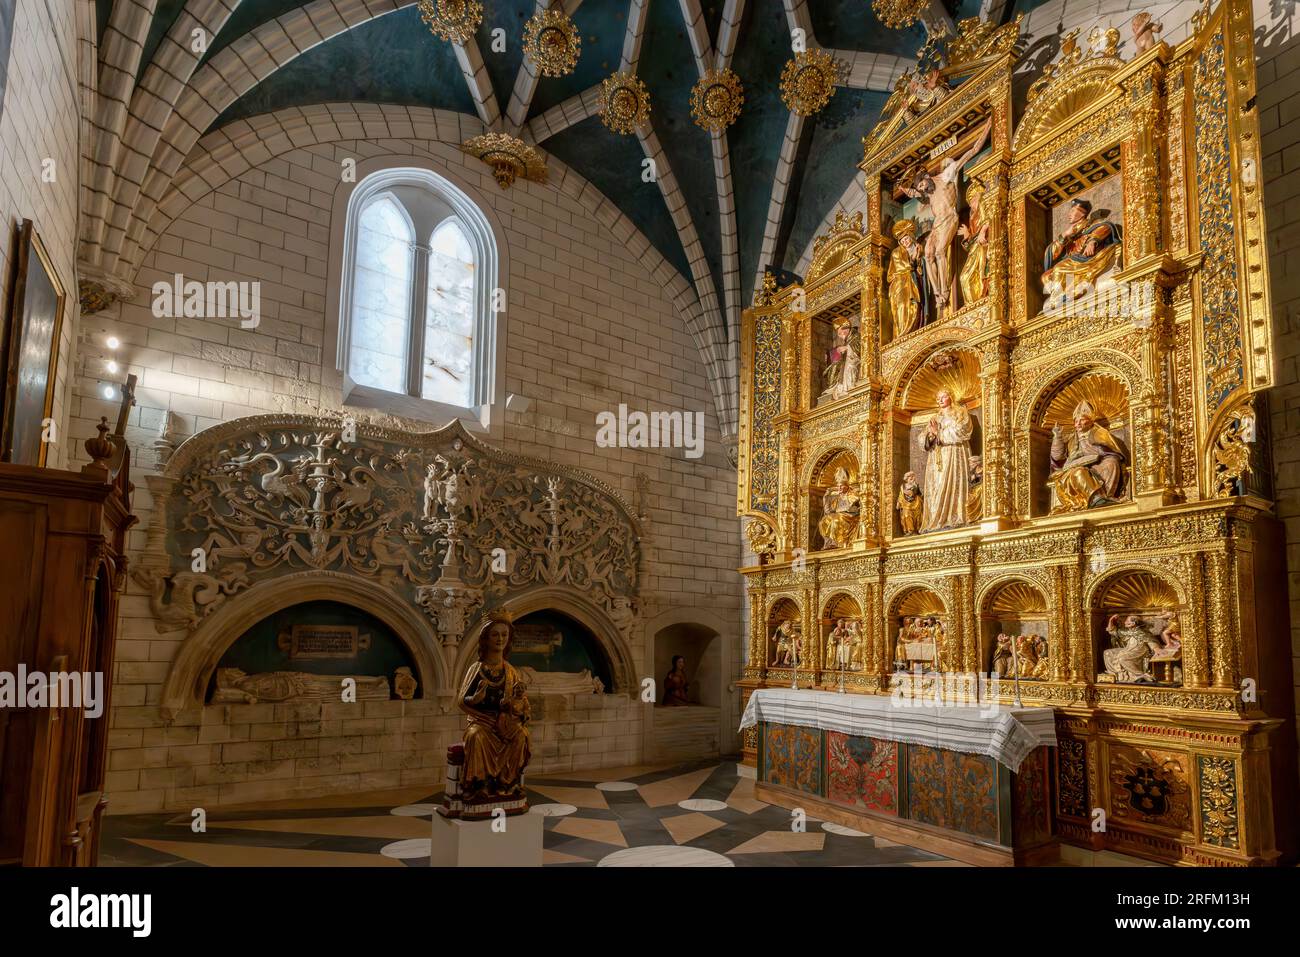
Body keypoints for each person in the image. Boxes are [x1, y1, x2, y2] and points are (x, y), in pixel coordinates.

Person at [902, 118, 992, 315]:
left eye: (923, 187)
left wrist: (988, 125)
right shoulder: (924, 192)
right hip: (937, 223)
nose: (923, 191)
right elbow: (912, 194)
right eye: (921, 190)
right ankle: (936, 293)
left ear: (926, 178)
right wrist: (904, 187)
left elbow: (972, 151)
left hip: (950, 218)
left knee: (941, 251)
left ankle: (944, 291)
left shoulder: (947, 175)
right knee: (927, 255)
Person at [458, 613, 532, 813]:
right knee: (476, 736)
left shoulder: (510, 671)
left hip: (503, 723)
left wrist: (515, 709)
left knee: (521, 735)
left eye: (504, 635)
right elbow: (461, 701)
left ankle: (507, 784)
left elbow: (520, 703)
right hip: (481, 722)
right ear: (485, 638)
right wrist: (478, 707)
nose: (500, 639)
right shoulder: (477, 668)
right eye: (495, 635)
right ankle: (478, 786)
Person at [1048, 400, 1127, 512]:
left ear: (1090, 421)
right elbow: (1058, 457)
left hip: (1097, 464)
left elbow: (1110, 450)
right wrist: (1057, 437)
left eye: (1082, 420)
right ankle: (1095, 499)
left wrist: (1096, 453)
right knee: (1079, 472)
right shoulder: (1072, 439)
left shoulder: (1099, 433)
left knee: (1112, 462)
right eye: (1076, 421)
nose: (1078, 424)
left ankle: (1107, 497)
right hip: (1074, 469)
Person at [1042, 197, 1121, 305]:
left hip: (1087, 259)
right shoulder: (1070, 234)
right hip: (1074, 261)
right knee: (1046, 276)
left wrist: (1093, 241)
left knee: (1059, 268)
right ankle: (1061, 296)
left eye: (1073, 211)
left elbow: (1106, 226)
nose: (1069, 214)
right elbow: (1052, 254)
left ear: (1082, 214)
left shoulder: (1091, 225)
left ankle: (1059, 298)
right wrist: (1064, 235)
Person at [921, 389, 975, 532]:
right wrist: (931, 435)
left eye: (943, 396)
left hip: (954, 451)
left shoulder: (960, 412)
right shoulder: (934, 418)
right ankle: (937, 518)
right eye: (938, 398)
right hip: (937, 456)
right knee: (937, 485)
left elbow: (964, 430)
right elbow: (923, 439)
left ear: (951, 397)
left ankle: (954, 516)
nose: (940, 400)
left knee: (953, 481)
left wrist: (939, 433)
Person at [888, 219, 926, 337]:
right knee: (901, 306)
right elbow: (902, 266)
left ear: (911, 237)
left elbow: (920, 267)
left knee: (913, 304)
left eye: (907, 238)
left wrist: (918, 257)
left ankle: (912, 329)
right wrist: (913, 258)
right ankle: (902, 333)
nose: (905, 242)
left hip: (912, 280)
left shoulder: (917, 248)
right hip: (899, 283)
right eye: (902, 240)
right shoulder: (896, 252)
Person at [958, 182, 990, 305]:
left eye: (972, 200)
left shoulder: (982, 205)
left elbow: (989, 218)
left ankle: (980, 298)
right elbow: (970, 244)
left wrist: (982, 232)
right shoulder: (972, 217)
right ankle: (971, 304)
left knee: (980, 272)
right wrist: (967, 234)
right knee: (964, 277)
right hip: (975, 249)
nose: (971, 204)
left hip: (982, 247)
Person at [818, 468, 861, 548]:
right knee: (823, 521)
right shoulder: (837, 497)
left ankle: (836, 543)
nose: (839, 488)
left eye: (841, 486)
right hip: (839, 515)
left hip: (849, 516)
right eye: (838, 486)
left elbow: (854, 507)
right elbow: (828, 511)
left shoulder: (853, 495)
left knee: (835, 521)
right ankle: (828, 542)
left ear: (847, 486)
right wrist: (826, 497)